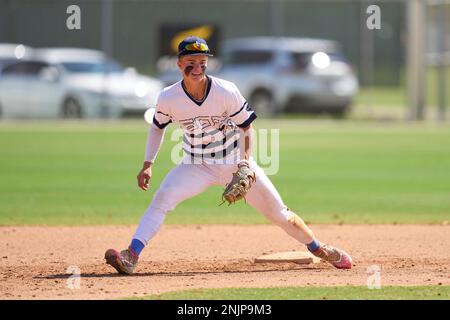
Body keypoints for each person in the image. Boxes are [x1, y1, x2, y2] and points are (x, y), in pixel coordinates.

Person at [104, 36, 352, 274]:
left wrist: (244, 163)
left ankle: (320, 249)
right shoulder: (169, 97)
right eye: (191, 61)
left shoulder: (225, 91)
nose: (197, 66)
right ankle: (131, 256)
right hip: (196, 164)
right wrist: (148, 163)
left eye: (202, 61)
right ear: (179, 63)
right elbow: (157, 127)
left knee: (279, 214)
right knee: (163, 197)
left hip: (234, 162)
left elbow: (247, 127)